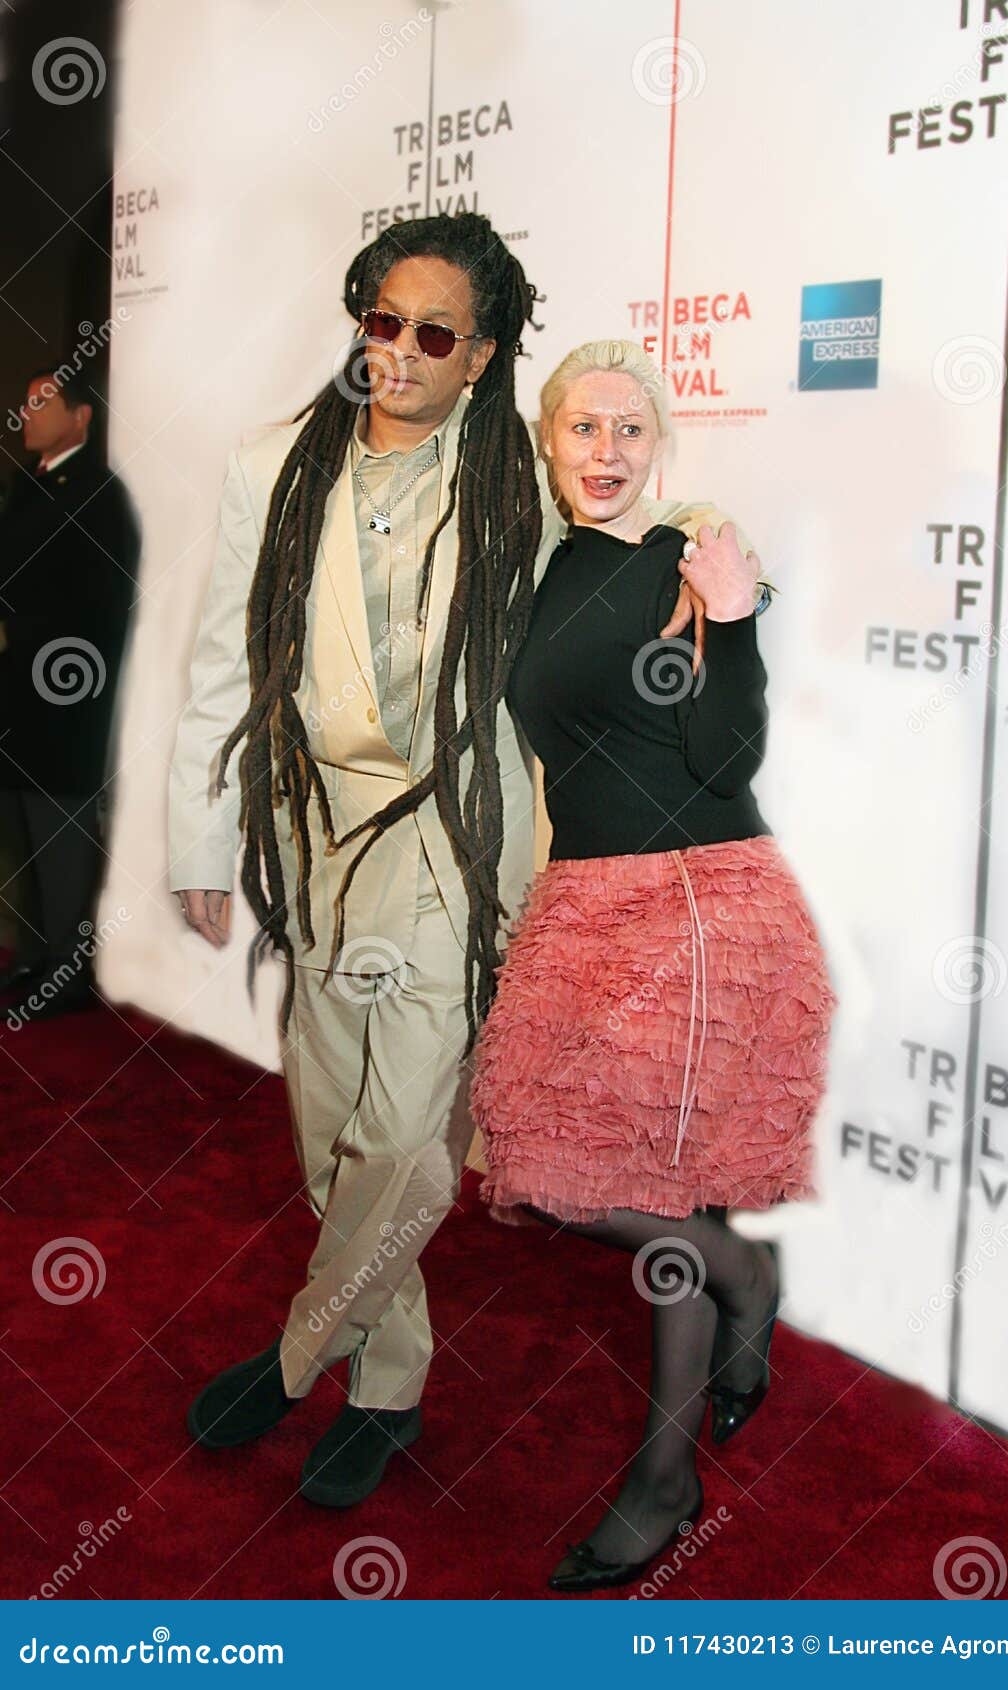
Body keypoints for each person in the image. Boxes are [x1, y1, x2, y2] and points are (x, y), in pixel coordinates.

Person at [169, 212, 773, 1509]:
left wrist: (707, 540)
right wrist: (199, 837)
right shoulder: (273, 463)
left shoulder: (511, 480)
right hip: (305, 828)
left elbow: (623, 507)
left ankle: (292, 1358)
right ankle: (385, 1379)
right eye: (377, 323)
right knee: (336, 1135)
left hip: (443, 847)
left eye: (429, 333)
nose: (393, 352)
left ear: (479, 351)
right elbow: (225, 658)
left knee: (407, 1142)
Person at [469, 339, 837, 1592]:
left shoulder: (680, 563)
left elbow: (726, 753)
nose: (607, 452)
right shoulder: (548, 570)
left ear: (659, 444)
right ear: (551, 440)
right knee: (542, 1152)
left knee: (648, 1187)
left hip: (693, 903)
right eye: (583, 427)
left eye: (631, 429)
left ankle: (665, 1472)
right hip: (581, 904)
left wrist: (730, 619)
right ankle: (744, 1277)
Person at [0, 366, 140, 1018]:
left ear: (81, 416)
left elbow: (103, 601)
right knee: (25, 831)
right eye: (25, 404)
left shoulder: (96, 492)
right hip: (20, 696)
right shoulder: (29, 485)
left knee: (61, 835)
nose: (26, 414)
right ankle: (36, 951)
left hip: (65, 698)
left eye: (41, 403)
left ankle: (68, 971)